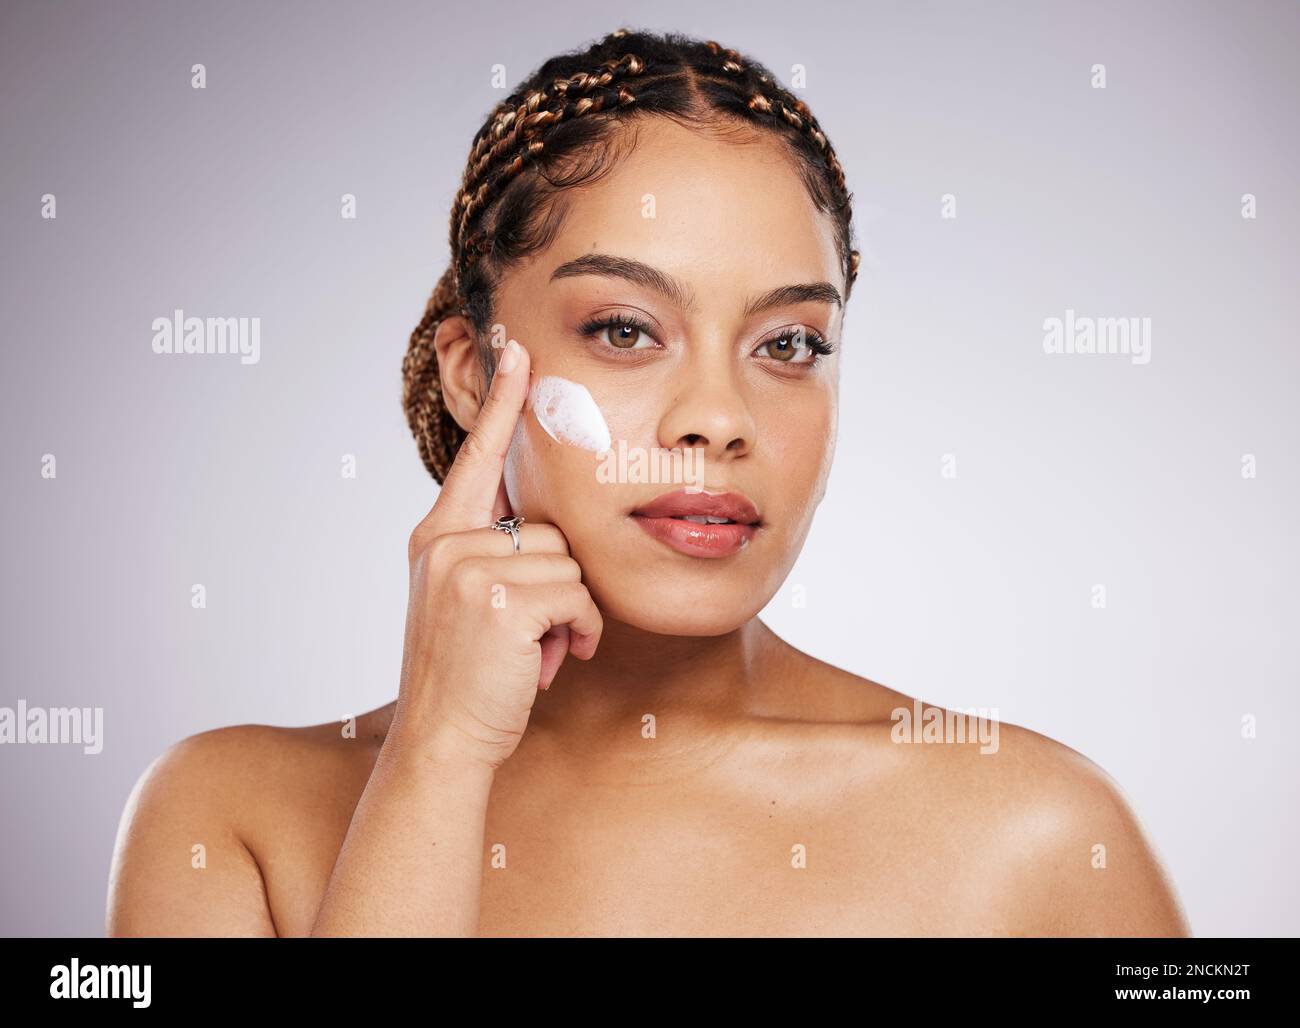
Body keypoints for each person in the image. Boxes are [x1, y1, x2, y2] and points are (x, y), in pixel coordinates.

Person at [106, 28, 1190, 937]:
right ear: (479, 372)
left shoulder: (1040, 832)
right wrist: (435, 758)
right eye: (625, 328)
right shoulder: (229, 818)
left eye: (789, 344)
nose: (718, 419)